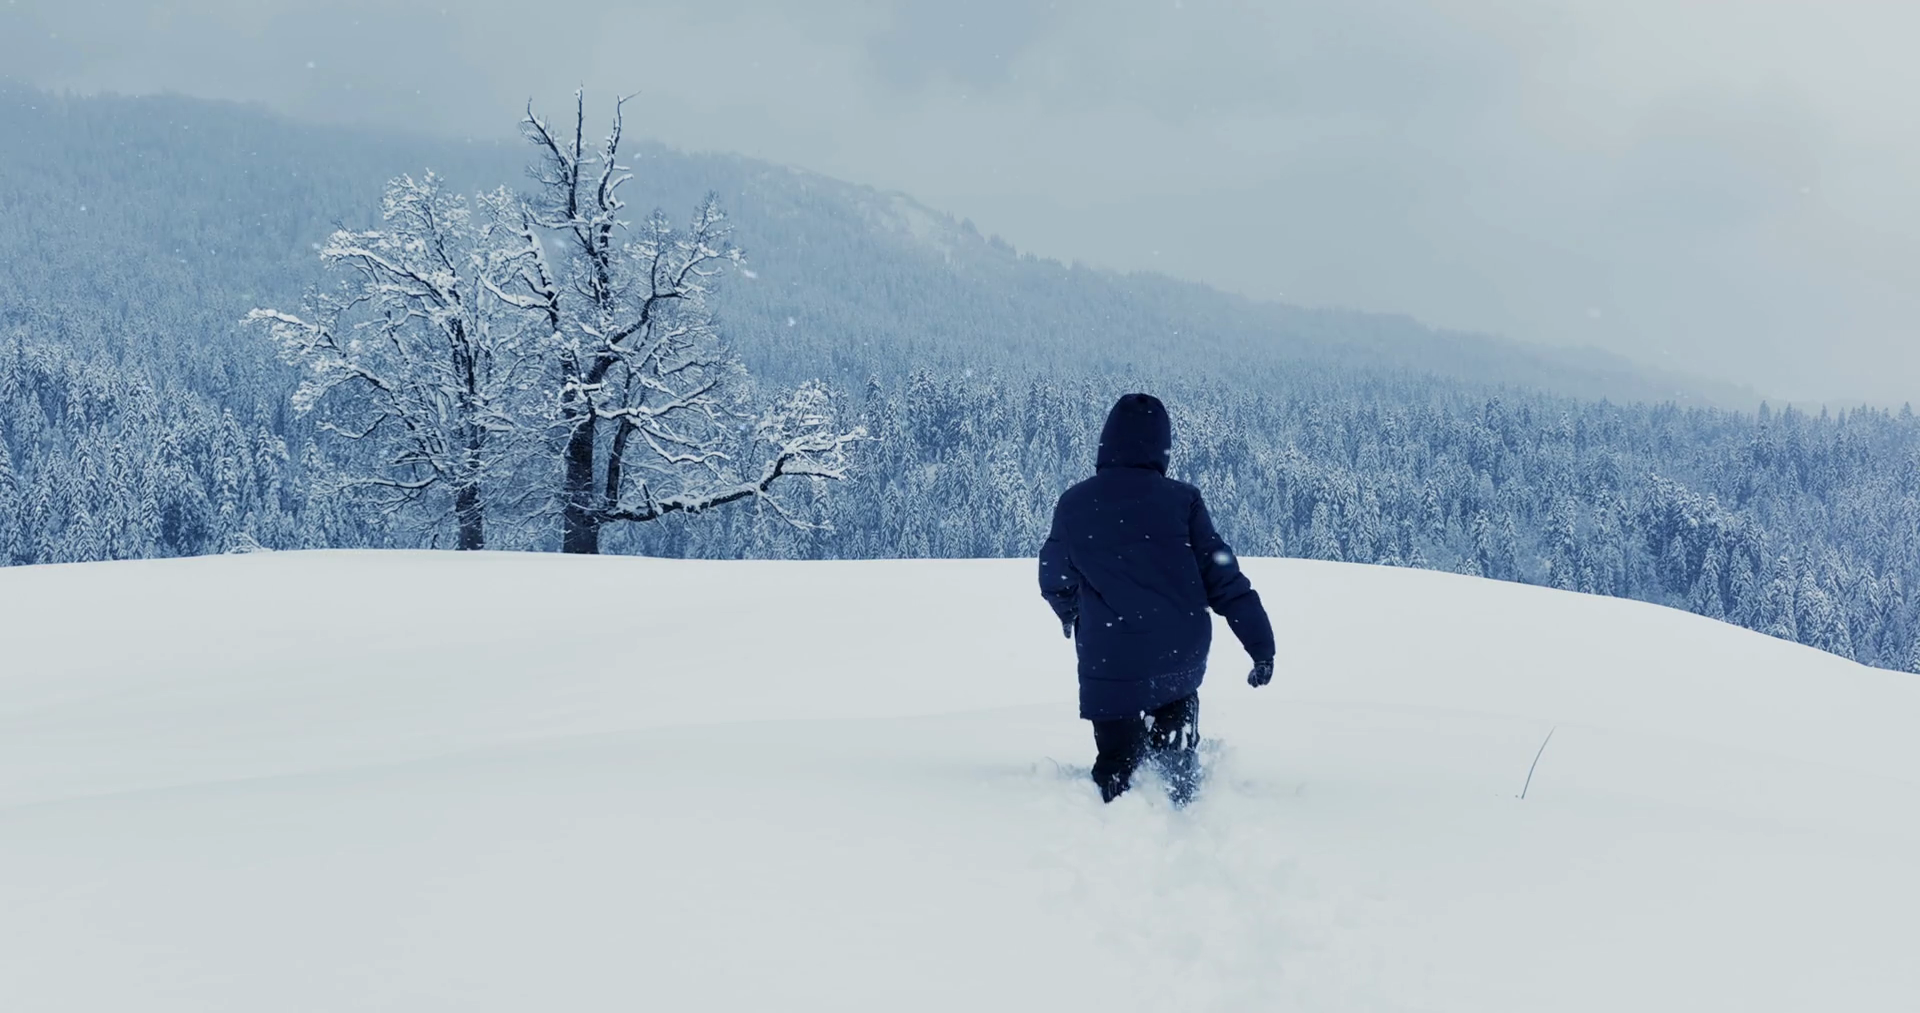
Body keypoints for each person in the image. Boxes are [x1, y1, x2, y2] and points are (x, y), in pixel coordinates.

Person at [1038, 393, 1276, 805]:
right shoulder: (1182, 501)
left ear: (1107, 443)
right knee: (1176, 748)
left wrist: (1071, 613)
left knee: (1116, 766)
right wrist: (1261, 647)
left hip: (1110, 665)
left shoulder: (1075, 503)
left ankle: (1112, 806)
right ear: (1161, 446)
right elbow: (1226, 582)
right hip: (1176, 660)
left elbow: (1054, 577)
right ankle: (1181, 784)